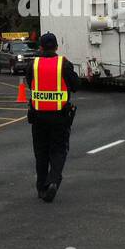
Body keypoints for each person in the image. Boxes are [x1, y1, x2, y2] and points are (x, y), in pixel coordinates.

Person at [27, 31, 79, 202]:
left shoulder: (33, 65)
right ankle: (53, 180)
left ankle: (42, 188)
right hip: (59, 117)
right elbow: (75, 85)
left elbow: (29, 83)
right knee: (58, 150)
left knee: (41, 152)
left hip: (38, 117)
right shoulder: (64, 64)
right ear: (56, 47)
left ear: (41, 47)